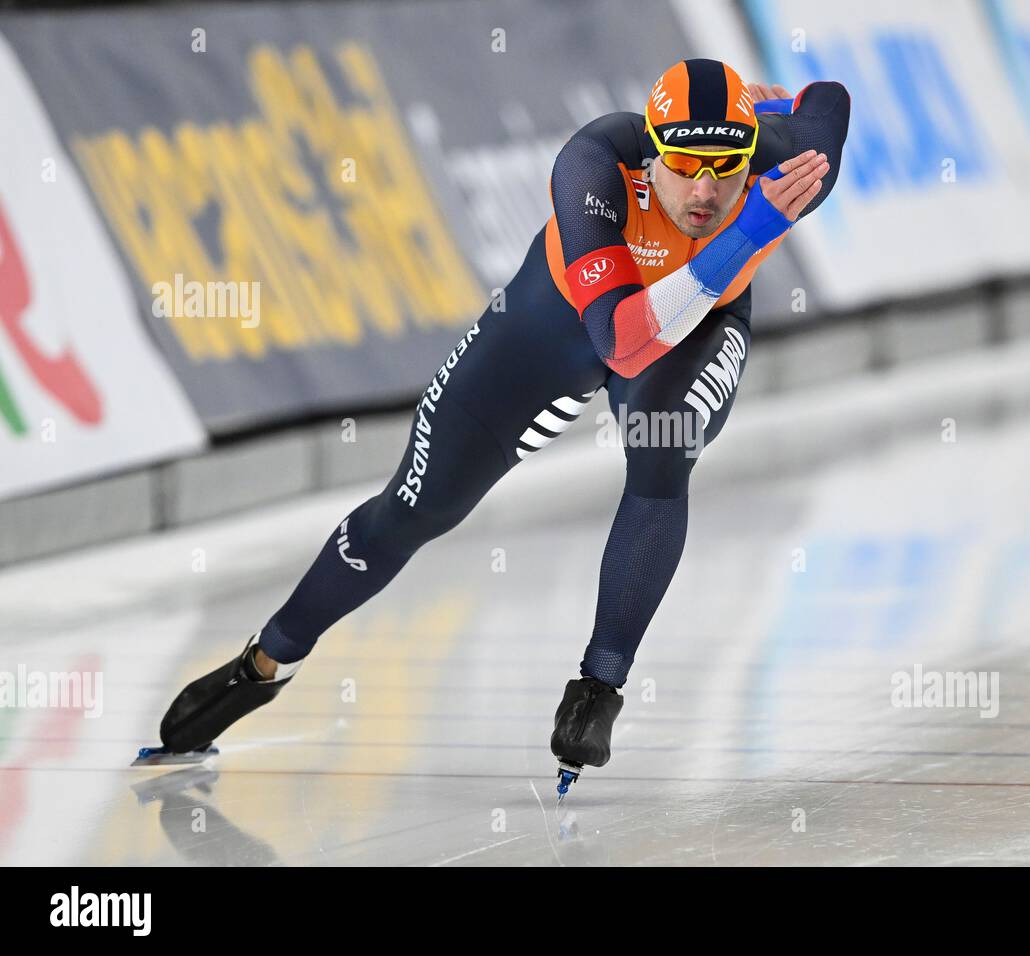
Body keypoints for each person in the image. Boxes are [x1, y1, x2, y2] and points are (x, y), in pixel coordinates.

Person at [151, 58, 851, 797]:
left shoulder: (790, 168)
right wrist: (749, 235)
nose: (705, 190)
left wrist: (784, 99)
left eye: (724, 167)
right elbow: (621, 341)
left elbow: (829, 99)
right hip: (566, 325)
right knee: (415, 509)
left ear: (752, 153)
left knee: (661, 441)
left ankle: (599, 686)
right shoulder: (596, 162)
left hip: (697, 329)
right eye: (682, 164)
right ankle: (264, 662)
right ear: (651, 151)